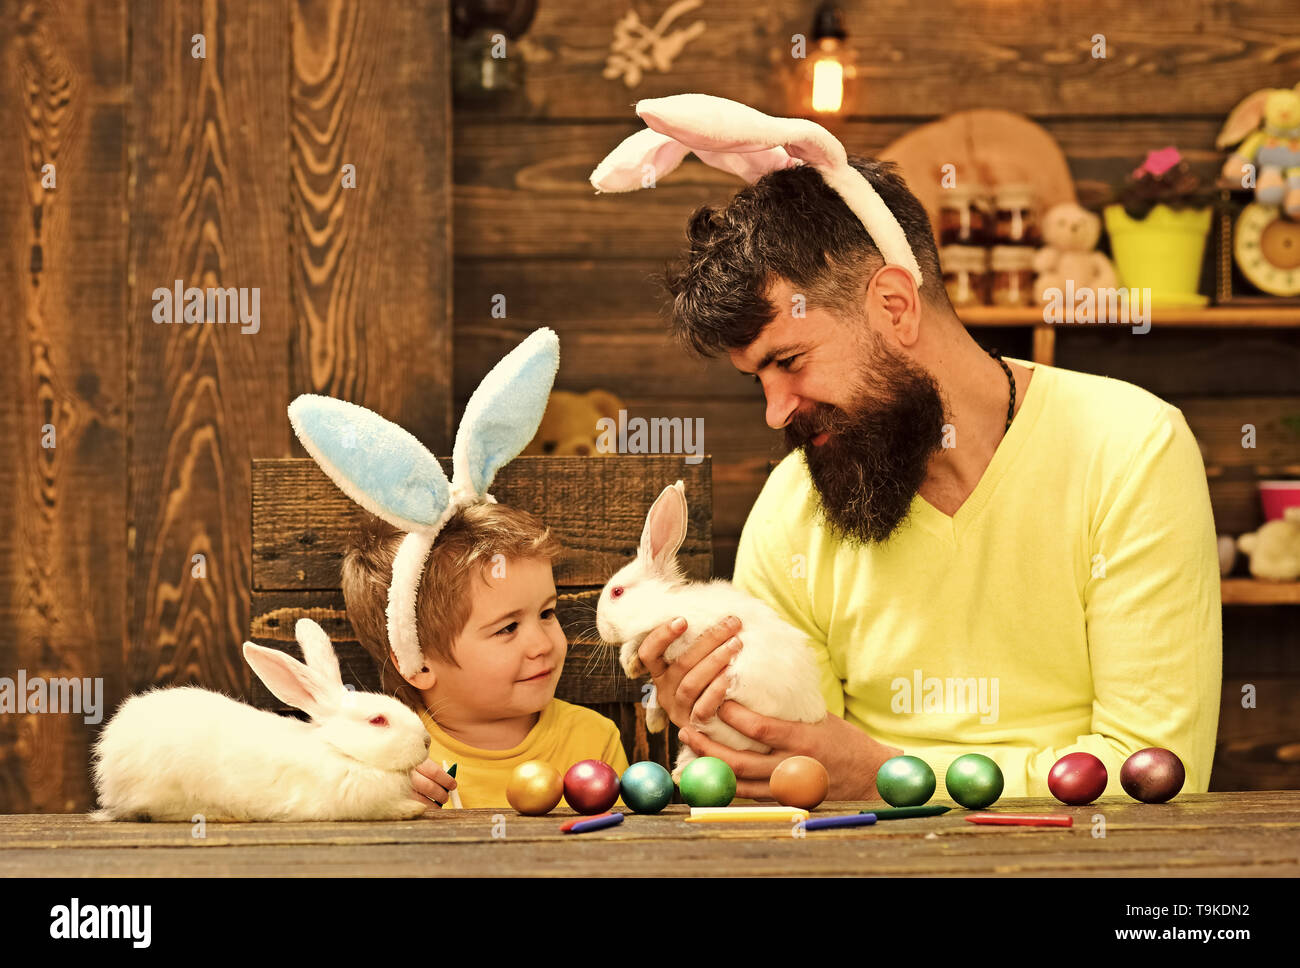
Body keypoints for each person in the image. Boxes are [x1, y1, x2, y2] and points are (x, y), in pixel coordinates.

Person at [629, 154, 1221, 801]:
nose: (776, 411)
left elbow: (1155, 772)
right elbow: (790, 759)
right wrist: (719, 715)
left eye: (790, 360)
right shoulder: (791, 506)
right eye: (758, 381)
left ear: (894, 305)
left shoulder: (1132, 446)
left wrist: (880, 775)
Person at [342, 503, 629, 809]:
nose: (543, 644)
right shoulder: (390, 766)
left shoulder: (593, 741)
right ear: (420, 664)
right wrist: (382, 800)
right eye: (507, 628)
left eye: (547, 613)